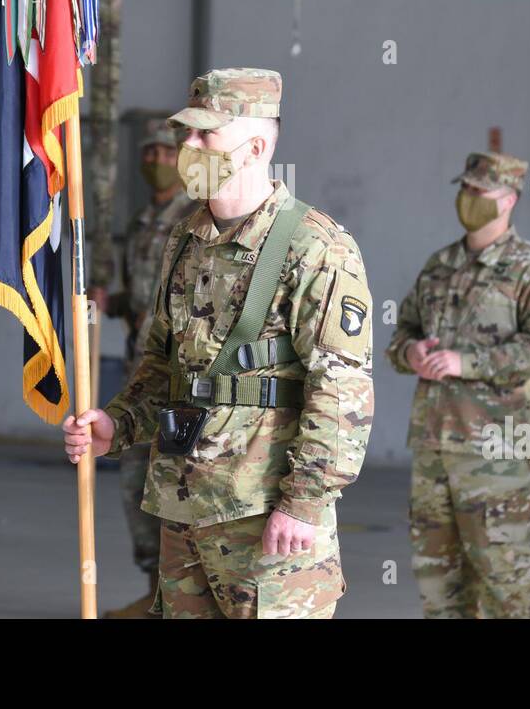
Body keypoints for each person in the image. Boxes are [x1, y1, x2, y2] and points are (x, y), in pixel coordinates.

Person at [62, 67, 374, 618]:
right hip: (183, 508)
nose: (188, 145)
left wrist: (302, 503)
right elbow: (163, 360)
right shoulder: (183, 237)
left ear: (255, 146)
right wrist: (119, 423)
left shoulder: (315, 246)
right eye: (186, 132)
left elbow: (342, 393)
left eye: (205, 134)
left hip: (263, 517)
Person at [386, 151, 530, 619]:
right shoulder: (440, 264)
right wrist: (412, 354)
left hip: (496, 452)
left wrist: (466, 362)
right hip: (434, 445)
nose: (467, 198)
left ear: (508, 200)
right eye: (463, 188)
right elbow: (401, 332)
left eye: (478, 191)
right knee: (439, 582)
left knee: (506, 581)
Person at [90, 120, 196, 619]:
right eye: (148, 152)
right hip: (140, 374)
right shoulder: (139, 224)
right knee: (134, 482)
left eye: (164, 151)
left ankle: (175, 595)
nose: (155, 160)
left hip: (178, 379)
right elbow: (137, 298)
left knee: (173, 485)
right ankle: (153, 587)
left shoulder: (195, 220)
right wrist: (106, 302)